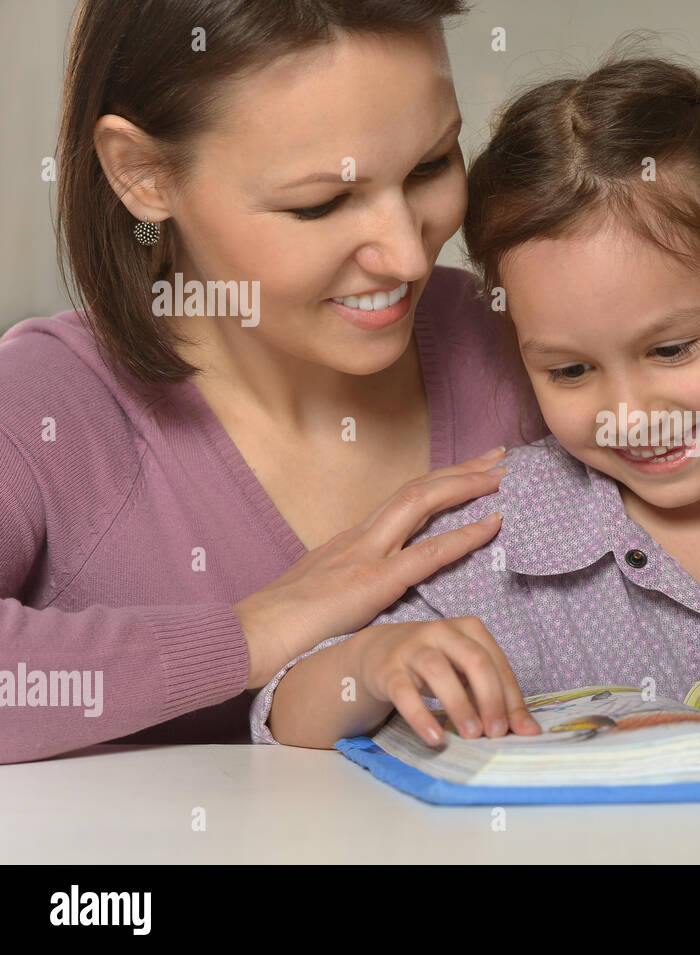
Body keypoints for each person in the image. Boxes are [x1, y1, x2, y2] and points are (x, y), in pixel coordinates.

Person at [253, 57, 700, 750]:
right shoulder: (491, 531)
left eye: (671, 351)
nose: (630, 414)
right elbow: (284, 714)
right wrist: (375, 659)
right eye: (572, 370)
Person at [0, 0, 547, 763]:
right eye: (320, 203)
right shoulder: (46, 406)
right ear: (143, 173)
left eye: (432, 164)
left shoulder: (536, 348)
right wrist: (252, 633)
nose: (409, 256)